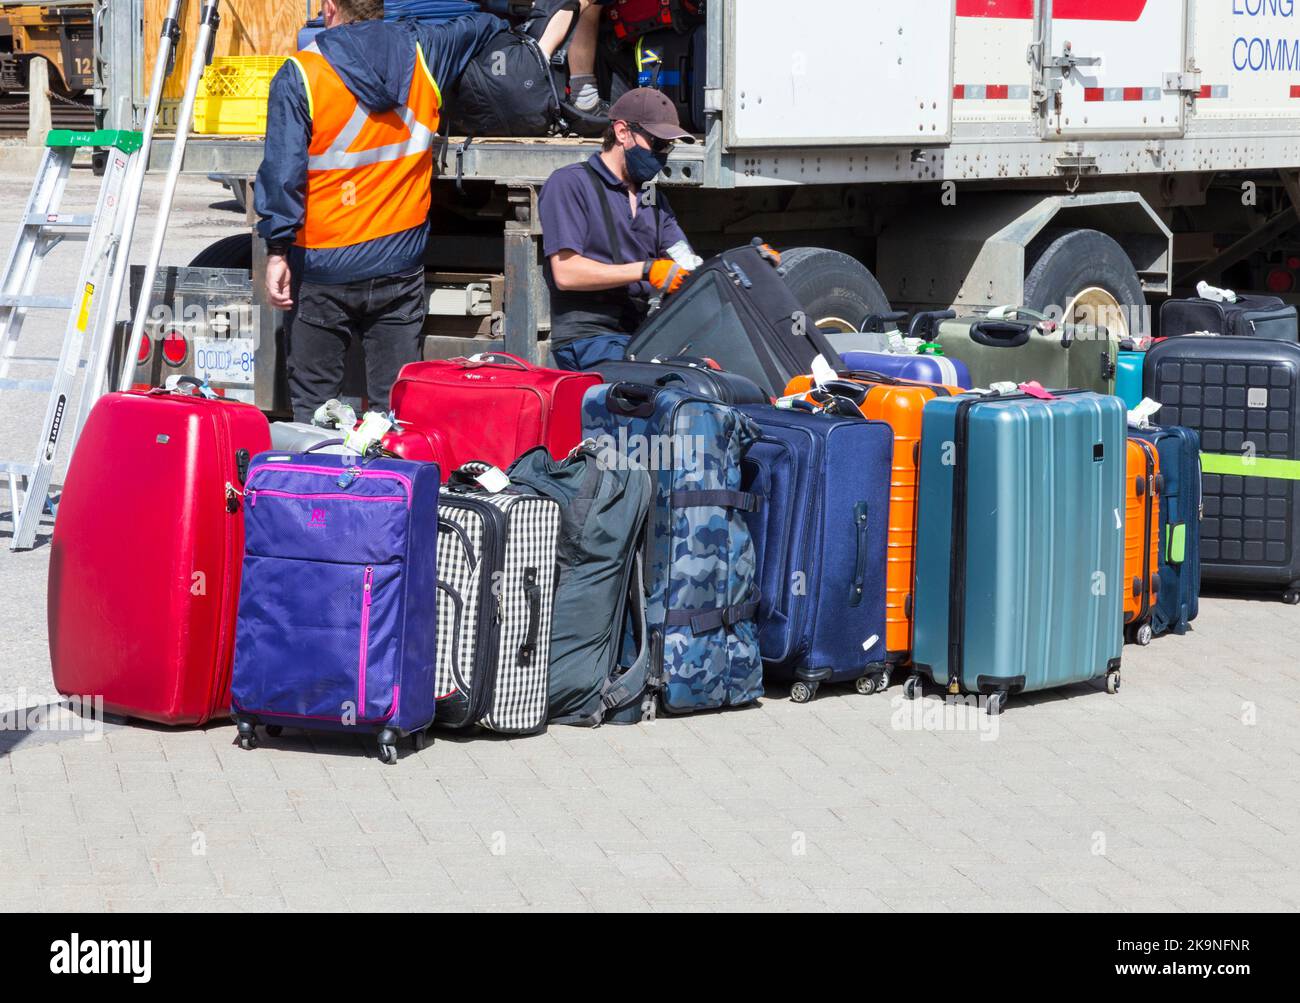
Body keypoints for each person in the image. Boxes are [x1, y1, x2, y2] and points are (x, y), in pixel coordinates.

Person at [255, 0, 504, 421]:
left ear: (331, 7)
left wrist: (276, 250)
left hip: (322, 265)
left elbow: (283, 172)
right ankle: (391, 486)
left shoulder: (300, 73)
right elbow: (482, 24)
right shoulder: (424, 52)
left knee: (315, 414)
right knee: (396, 415)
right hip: (398, 263)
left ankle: (318, 485)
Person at [538, 87, 701, 370]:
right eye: (657, 143)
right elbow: (566, 273)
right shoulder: (570, 184)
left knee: (707, 375)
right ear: (623, 132)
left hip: (639, 336)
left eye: (667, 147)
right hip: (588, 338)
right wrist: (647, 270)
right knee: (662, 385)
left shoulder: (655, 202)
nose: (662, 155)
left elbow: (688, 263)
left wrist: (741, 270)